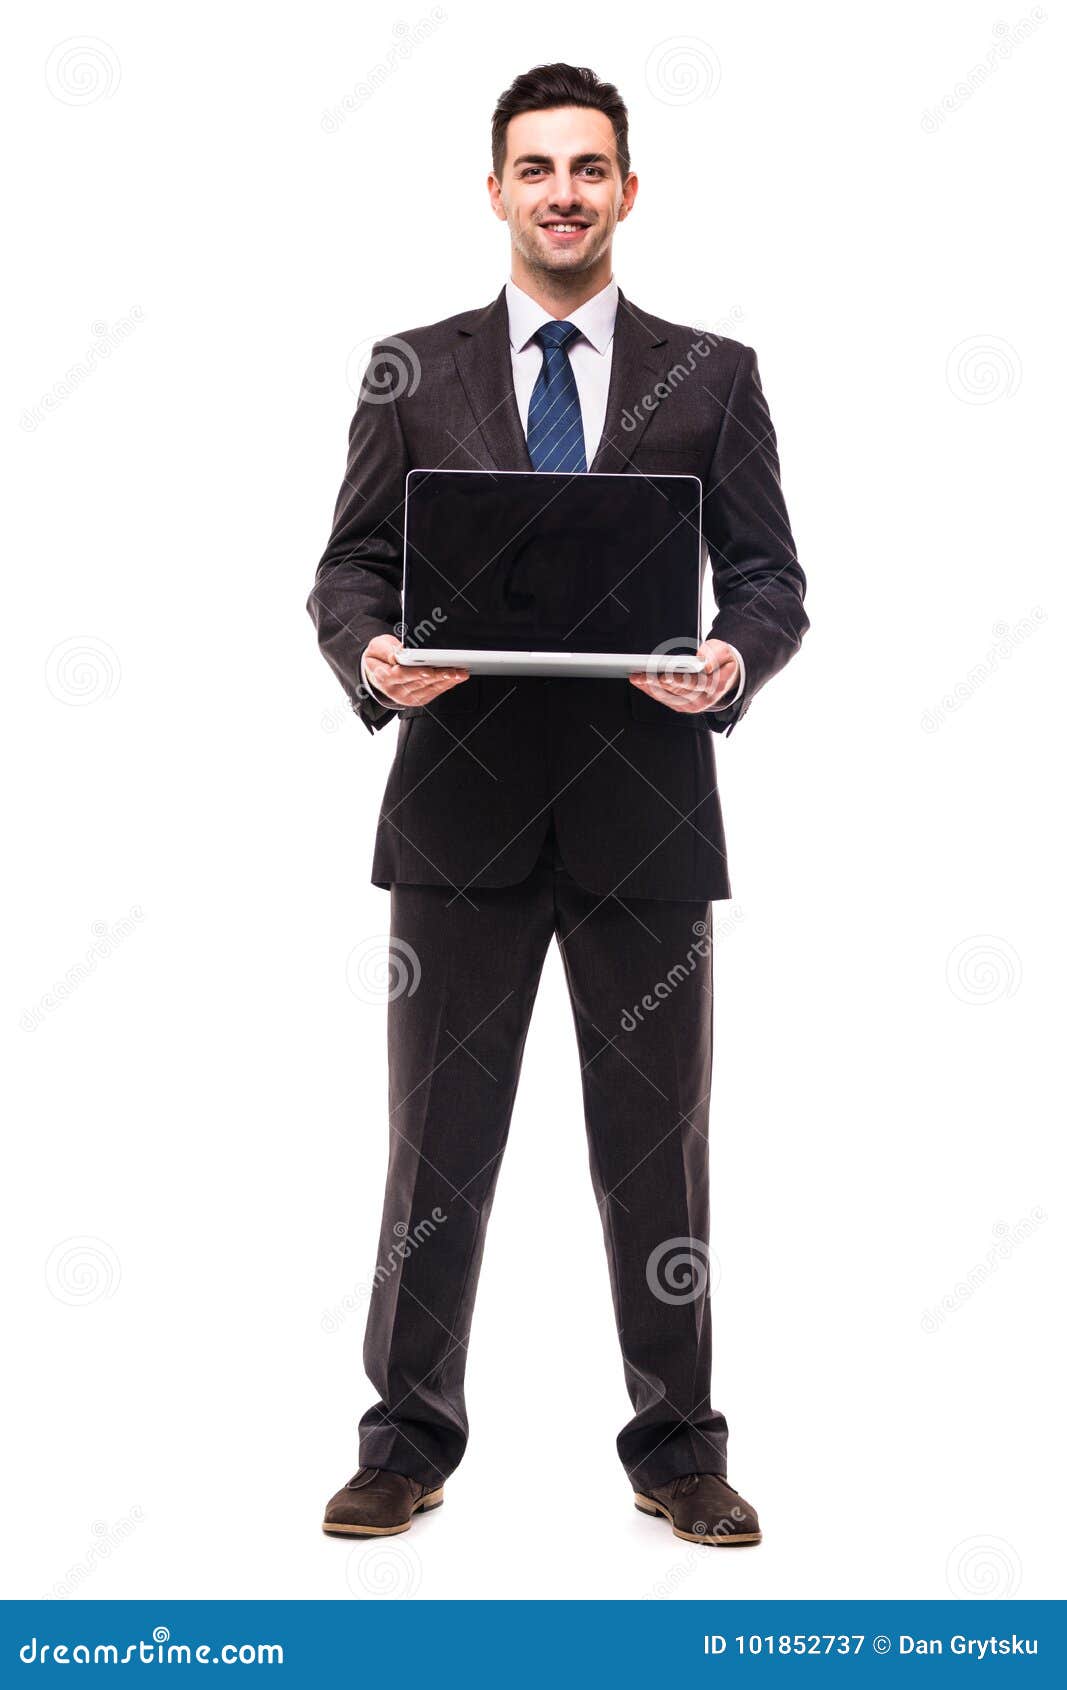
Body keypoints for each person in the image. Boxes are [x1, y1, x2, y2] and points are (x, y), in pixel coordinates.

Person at [307, 61, 808, 1547]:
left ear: (627, 192)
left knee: (659, 1148)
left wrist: (732, 661)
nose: (565, 193)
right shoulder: (412, 369)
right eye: (538, 168)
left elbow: (773, 578)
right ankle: (404, 1438)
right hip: (457, 820)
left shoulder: (710, 375)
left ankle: (679, 1447)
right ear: (498, 192)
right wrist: (370, 652)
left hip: (646, 818)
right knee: (435, 1145)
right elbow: (348, 570)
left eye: (590, 168)